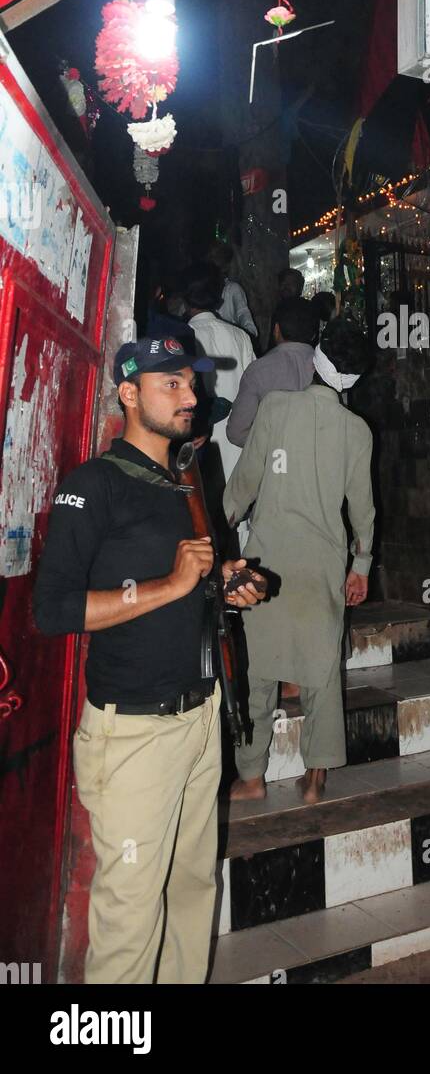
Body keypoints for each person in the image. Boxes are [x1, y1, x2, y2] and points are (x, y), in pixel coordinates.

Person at [32, 337, 266, 984]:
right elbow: (52, 611)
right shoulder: (93, 486)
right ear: (128, 393)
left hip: (199, 716)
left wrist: (231, 583)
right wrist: (167, 586)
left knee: (193, 891)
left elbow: (196, 584)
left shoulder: (185, 479)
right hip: (133, 729)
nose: (191, 397)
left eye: (191, 384)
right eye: (172, 385)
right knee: (131, 916)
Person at [224, 319, 374, 805]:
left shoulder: (274, 408)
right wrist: (362, 565)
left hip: (265, 560)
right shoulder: (357, 431)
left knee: (259, 671)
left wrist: (212, 535)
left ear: (316, 359)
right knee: (322, 671)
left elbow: (244, 484)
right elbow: (363, 510)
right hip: (324, 564)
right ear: (352, 380)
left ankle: (251, 776)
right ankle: (315, 778)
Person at [181, 262, 255, 498]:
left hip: (196, 455)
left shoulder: (180, 339)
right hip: (238, 450)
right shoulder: (240, 337)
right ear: (218, 297)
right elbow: (255, 392)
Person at [226, 297, 317, 448]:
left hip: (277, 465)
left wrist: (277, 444)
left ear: (276, 330)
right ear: (314, 334)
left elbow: (236, 433)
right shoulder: (326, 367)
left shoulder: (258, 370)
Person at [208, 242, 258, 340]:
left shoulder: (232, 289)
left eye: (216, 257)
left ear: (226, 265)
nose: (212, 260)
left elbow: (249, 327)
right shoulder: (199, 288)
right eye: (210, 256)